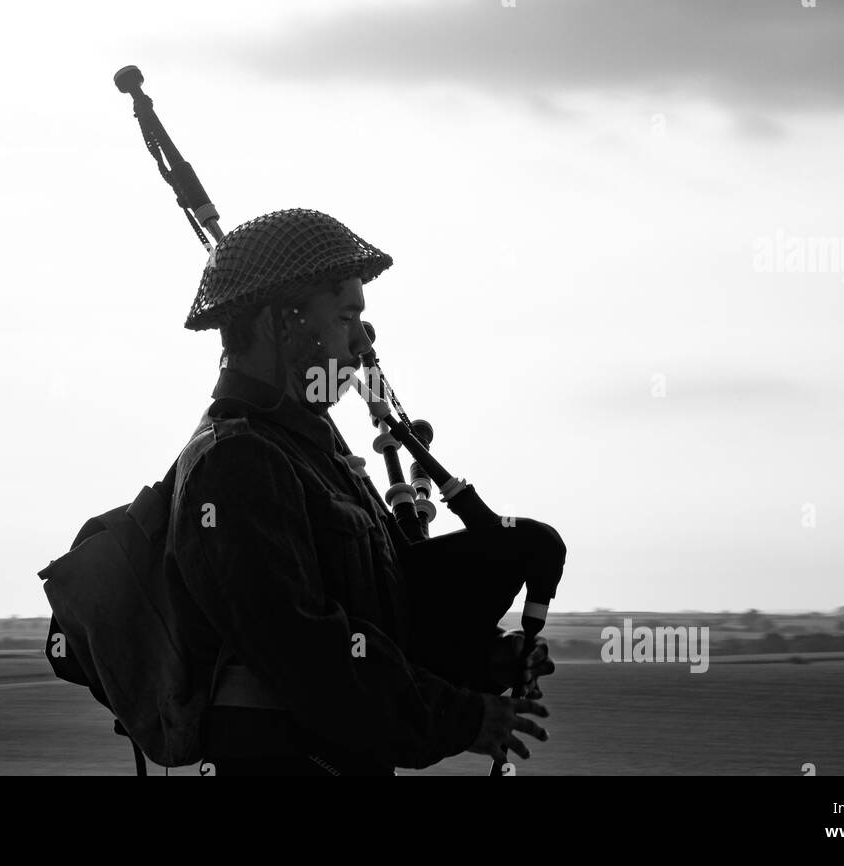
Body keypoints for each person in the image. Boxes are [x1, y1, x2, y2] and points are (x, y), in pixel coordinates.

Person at [166, 208, 559, 775]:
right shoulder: (235, 463)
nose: (363, 341)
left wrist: (485, 660)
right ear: (283, 321)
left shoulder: (315, 448)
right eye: (347, 315)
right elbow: (308, 654)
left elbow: (390, 611)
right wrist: (462, 718)